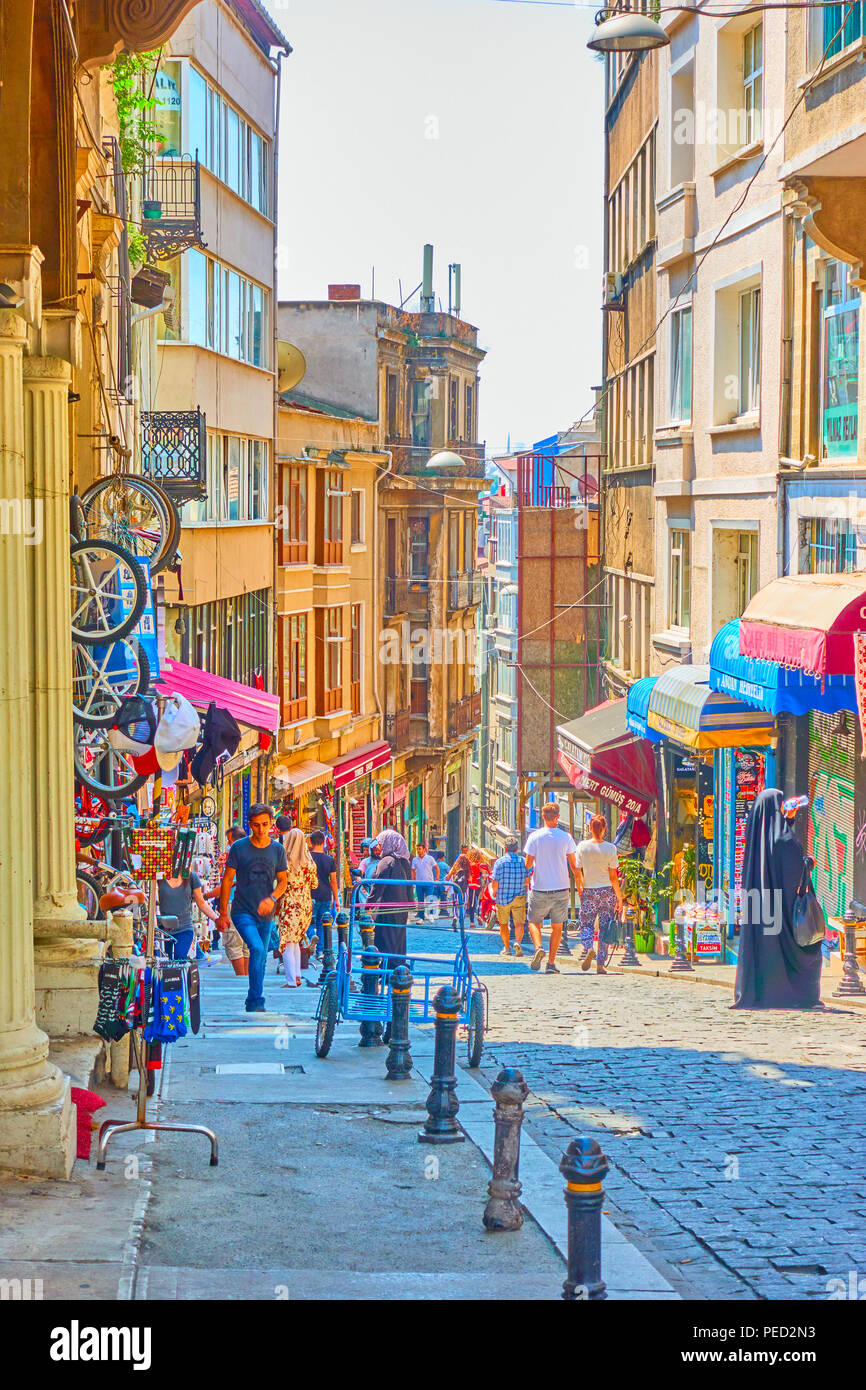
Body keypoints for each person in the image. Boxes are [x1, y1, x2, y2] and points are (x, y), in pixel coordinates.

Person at [733, 788, 823, 1010]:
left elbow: (774, 858)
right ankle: (795, 994)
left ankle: (763, 992)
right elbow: (793, 868)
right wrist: (809, 862)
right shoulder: (784, 839)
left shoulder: (754, 840)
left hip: (760, 909)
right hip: (781, 913)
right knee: (802, 952)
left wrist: (787, 823)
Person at [218, 804, 288, 1013]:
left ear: (271, 825)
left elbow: (283, 881)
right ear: (250, 825)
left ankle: (252, 1000)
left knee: (261, 957)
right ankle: (256, 1000)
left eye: (265, 825)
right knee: (256, 948)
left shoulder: (278, 849)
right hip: (242, 911)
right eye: (257, 825)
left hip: (265, 914)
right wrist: (223, 913)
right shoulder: (239, 848)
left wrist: (272, 898)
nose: (261, 829)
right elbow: (228, 879)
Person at [524, 803, 579, 974]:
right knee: (557, 927)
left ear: (542, 816)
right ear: (557, 817)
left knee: (534, 922)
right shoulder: (566, 837)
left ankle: (539, 947)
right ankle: (551, 963)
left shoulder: (535, 837)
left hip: (540, 887)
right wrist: (579, 882)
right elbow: (573, 863)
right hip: (561, 888)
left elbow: (527, 863)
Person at [575, 814, 623, 975]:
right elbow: (613, 877)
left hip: (589, 890)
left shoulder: (582, 846)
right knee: (604, 928)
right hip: (607, 891)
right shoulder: (610, 848)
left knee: (586, 924)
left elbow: (577, 870)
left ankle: (589, 947)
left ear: (590, 828)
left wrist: (580, 886)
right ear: (604, 829)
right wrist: (619, 898)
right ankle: (600, 965)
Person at [277, 827, 318, 988]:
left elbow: (279, 883)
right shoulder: (309, 863)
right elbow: (314, 884)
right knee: (295, 941)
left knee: (288, 942)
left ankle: (291, 980)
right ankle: (297, 975)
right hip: (305, 904)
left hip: (289, 904)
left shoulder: (285, 862)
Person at [207, 825, 249, 976]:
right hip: (250, 903)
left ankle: (242, 977)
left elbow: (228, 883)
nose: (228, 844)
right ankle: (246, 978)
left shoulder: (236, 854)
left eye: (229, 841)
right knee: (246, 943)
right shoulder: (252, 852)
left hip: (235, 903)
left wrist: (206, 896)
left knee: (234, 942)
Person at [366, 828, 412, 961]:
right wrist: (410, 905)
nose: (379, 848)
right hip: (401, 909)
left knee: (386, 941)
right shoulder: (404, 862)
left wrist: (366, 906)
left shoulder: (387, 862)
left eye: (380, 843)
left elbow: (377, 888)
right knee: (398, 941)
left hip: (387, 910)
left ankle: (387, 970)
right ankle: (398, 969)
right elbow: (410, 887)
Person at [157, 870, 219, 961]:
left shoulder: (191, 877)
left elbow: (201, 902)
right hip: (162, 930)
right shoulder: (158, 876)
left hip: (184, 928)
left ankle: (187, 969)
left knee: (180, 958)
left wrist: (217, 919)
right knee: (165, 963)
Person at [489, 838, 530, 957]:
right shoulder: (524, 861)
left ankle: (507, 948)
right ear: (517, 848)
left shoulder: (500, 862)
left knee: (503, 924)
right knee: (519, 924)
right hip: (519, 897)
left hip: (503, 898)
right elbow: (527, 881)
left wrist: (495, 892)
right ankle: (517, 942)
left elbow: (495, 881)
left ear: (505, 848)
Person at [308, 828, 339, 957]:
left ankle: (311, 935)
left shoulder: (307, 858)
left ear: (310, 842)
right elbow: (333, 881)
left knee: (305, 922)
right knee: (322, 923)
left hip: (310, 895)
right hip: (325, 895)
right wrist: (336, 898)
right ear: (323, 842)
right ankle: (320, 951)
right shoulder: (329, 860)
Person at [411, 839, 438, 921]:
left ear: (424, 849)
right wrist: (413, 881)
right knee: (420, 901)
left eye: (420, 849)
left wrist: (436, 879)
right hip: (419, 883)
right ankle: (421, 917)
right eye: (417, 849)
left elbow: (437, 868)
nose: (418, 851)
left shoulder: (430, 858)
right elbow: (413, 870)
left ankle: (430, 915)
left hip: (429, 883)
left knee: (429, 899)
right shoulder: (415, 860)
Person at [465, 848, 488, 928]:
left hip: (470, 885)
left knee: (471, 903)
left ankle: (472, 921)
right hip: (478, 885)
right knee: (478, 902)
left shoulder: (468, 865)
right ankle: (478, 915)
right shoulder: (480, 865)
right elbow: (484, 875)